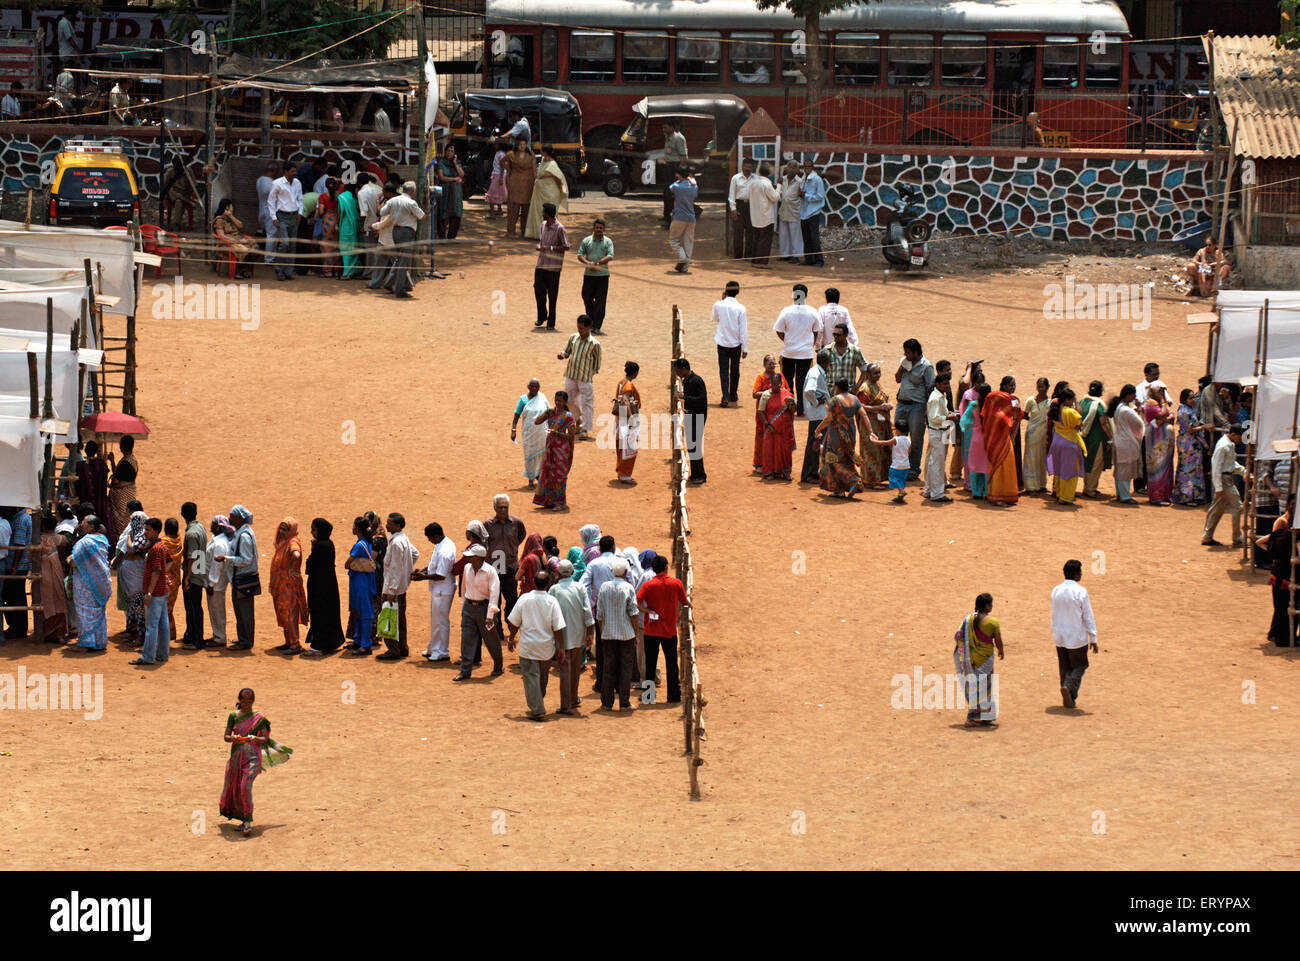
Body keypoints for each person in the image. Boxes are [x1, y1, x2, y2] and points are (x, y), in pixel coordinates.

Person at [220, 688, 292, 837]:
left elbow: (265, 739)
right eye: (243, 700)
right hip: (236, 758)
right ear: (239, 700)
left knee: (244, 786)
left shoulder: (260, 718)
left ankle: (247, 822)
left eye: (249, 700)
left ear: (253, 701)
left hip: (253, 758)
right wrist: (233, 738)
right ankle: (242, 818)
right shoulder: (233, 716)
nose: (246, 703)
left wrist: (253, 738)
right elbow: (226, 736)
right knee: (237, 787)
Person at [507, 569, 567, 719]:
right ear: (548, 584)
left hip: (528, 647)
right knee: (541, 679)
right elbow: (558, 627)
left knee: (532, 678)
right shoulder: (552, 601)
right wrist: (561, 648)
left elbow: (514, 621)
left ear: (534, 582)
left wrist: (511, 638)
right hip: (546, 648)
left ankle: (538, 708)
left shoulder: (524, 599)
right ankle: (537, 705)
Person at [636, 554, 690, 703]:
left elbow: (637, 602)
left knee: (650, 664)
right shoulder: (676, 583)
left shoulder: (648, 585)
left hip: (651, 630)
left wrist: (648, 611)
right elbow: (684, 600)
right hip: (669, 630)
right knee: (672, 663)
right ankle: (673, 695)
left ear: (653, 569)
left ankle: (649, 696)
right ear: (666, 568)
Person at [596, 557, 642, 711]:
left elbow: (600, 614)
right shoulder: (628, 588)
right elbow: (633, 613)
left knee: (608, 667)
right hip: (626, 635)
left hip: (608, 634)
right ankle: (624, 703)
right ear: (624, 572)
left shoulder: (604, 587)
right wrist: (635, 633)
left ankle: (606, 703)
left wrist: (603, 632)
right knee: (625, 668)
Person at [1051, 559, 1098, 709]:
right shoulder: (1080, 591)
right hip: (1076, 637)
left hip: (1060, 636)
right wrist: (1093, 637)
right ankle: (1069, 687)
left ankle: (1070, 698)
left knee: (1064, 667)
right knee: (1081, 664)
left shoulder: (1056, 590)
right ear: (1076, 574)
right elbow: (1087, 616)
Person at [453, 543, 504, 680]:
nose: (469, 559)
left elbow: (494, 593)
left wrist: (490, 615)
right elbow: (464, 589)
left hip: (485, 609)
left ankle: (498, 666)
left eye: (472, 556)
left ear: (479, 558)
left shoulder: (490, 571)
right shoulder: (467, 568)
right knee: (466, 639)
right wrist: (464, 606)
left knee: (491, 639)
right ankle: (465, 671)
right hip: (469, 608)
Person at [549, 558, 594, 714]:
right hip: (578, 635)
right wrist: (590, 633)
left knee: (564, 669)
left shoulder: (554, 590)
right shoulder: (580, 588)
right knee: (575, 668)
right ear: (572, 572)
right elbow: (587, 612)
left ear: (558, 573)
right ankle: (573, 698)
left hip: (561, 636)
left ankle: (565, 704)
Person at [954, 593, 1003, 725]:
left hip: (971, 661)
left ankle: (981, 716)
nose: (992, 606)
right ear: (987, 606)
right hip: (985, 661)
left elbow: (958, 635)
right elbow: (998, 640)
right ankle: (977, 716)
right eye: (991, 604)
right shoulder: (993, 622)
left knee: (975, 687)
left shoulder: (968, 620)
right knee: (985, 687)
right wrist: (1001, 651)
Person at [774, 284, 823, 416]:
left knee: (788, 381)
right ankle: (801, 409)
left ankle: (789, 407)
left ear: (794, 295)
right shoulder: (813, 311)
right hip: (805, 354)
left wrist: (787, 341)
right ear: (806, 295)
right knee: (803, 382)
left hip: (788, 352)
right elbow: (817, 331)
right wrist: (811, 345)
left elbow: (778, 330)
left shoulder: (786, 311)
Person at [369, 181, 423, 298]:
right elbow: (422, 216)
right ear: (413, 192)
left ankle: (391, 283)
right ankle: (400, 290)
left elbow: (381, 212)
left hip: (395, 232)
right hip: (406, 232)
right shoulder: (411, 202)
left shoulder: (392, 201)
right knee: (403, 261)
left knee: (398, 260)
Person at [816, 378, 868, 498]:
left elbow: (828, 419)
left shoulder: (833, 401)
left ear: (837, 387)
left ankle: (853, 480)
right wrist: (870, 431)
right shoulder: (854, 399)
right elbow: (863, 414)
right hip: (850, 434)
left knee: (833, 461)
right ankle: (839, 490)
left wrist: (817, 429)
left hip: (836, 436)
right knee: (847, 459)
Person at [300, 518, 344, 656]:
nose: (311, 532)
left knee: (320, 614)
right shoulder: (328, 544)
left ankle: (318, 646)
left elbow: (310, 565)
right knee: (329, 613)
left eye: (314, 529)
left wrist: (313, 549)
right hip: (328, 585)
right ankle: (330, 643)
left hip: (320, 587)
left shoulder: (321, 546)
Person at [377, 512, 418, 661]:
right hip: (401, 588)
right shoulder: (403, 539)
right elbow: (415, 554)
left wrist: (391, 590)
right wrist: (407, 571)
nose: (387, 525)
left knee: (389, 618)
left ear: (398, 525)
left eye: (390, 523)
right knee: (400, 619)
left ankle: (393, 650)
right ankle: (403, 648)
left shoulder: (395, 543)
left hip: (392, 590)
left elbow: (395, 569)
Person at [131, 518, 171, 665]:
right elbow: (170, 561)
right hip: (162, 591)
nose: (145, 532)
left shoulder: (155, 549)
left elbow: (156, 571)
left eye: (147, 530)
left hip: (156, 593)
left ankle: (148, 657)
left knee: (152, 625)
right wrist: (165, 577)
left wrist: (149, 593)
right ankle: (162, 654)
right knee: (163, 623)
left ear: (155, 531)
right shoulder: (161, 545)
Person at [1258, 499, 1297, 647]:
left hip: (1281, 572)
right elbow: (1264, 542)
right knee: (1282, 607)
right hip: (1283, 574)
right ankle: (1281, 637)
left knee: (1282, 606)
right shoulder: (1282, 527)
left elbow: (1261, 542)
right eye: (1292, 504)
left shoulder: (1283, 531)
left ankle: (1276, 634)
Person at [893, 339, 935, 479]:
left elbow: (930, 388)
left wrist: (926, 410)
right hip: (902, 404)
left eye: (908, 352)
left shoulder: (926, 366)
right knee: (899, 436)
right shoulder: (905, 363)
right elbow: (897, 379)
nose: (905, 354)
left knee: (916, 438)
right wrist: (902, 365)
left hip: (917, 406)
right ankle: (900, 466)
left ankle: (913, 469)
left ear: (916, 352)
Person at [414, 522, 456, 662]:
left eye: (430, 538)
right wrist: (424, 570)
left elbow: (441, 574)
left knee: (441, 621)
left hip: (443, 589)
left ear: (436, 536)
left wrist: (423, 577)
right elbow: (434, 564)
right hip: (439, 589)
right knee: (435, 620)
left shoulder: (445, 551)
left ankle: (442, 651)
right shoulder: (442, 544)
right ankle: (433, 647)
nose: (429, 541)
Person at [69, 515, 111, 652]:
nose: (81, 524)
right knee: (98, 612)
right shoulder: (102, 539)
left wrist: (68, 559)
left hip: (85, 584)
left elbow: (74, 563)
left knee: (84, 612)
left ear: (91, 526)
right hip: (100, 582)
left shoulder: (85, 543)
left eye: (84, 522)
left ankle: (86, 643)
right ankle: (99, 641)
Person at [533, 390, 579, 509]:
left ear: (565, 402)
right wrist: (547, 412)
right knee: (548, 473)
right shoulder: (551, 413)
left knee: (559, 475)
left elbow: (571, 436)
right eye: (556, 400)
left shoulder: (568, 417)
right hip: (550, 448)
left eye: (560, 401)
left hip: (562, 450)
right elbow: (537, 421)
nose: (557, 403)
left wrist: (557, 432)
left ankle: (560, 502)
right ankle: (548, 500)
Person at [1202, 423, 1247, 547]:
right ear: (1233, 434)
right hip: (1224, 480)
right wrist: (1219, 487)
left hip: (1225, 479)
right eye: (1239, 437)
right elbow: (1216, 467)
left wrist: (1243, 470)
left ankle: (1207, 536)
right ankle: (1237, 539)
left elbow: (1231, 463)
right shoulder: (1224, 446)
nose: (1239, 440)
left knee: (1217, 508)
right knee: (1237, 507)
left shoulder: (1228, 444)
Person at [269, 517, 308, 655]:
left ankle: (295, 644)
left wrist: (292, 566)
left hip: (289, 586)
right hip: (281, 585)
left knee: (290, 614)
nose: (282, 531)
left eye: (285, 529)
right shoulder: (283, 543)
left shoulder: (293, 542)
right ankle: (288, 642)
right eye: (281, 528)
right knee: (283, 613)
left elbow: (296, 553)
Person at [221, 505, 258, 650]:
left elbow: (246, 559)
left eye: (232, 516)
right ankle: (243, 638)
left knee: (245, 612)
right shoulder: (241, 533)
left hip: (244, 579)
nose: (229, 518)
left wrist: (227, 558)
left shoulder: (244, 536)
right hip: (239, 579)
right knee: (239, 610)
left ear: (239, 518)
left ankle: (246, 641)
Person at [558, 314, 600, 438]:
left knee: (587, 403)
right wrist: (562, 355)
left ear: (588, 328)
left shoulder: (595, 344)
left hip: (585, 378)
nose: (579, 330)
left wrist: (589, 375)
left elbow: (597, 364)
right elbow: (567, 351)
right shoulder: (573, 338)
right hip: (571, 375)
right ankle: (577, 422)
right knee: (569, 400)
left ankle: (585, 430)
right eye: (578, 327)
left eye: (581, 328)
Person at [1047, 387, 1087, 505]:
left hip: (1057, 442)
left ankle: (1059, 493)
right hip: (1069, 443)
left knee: (1059, 470)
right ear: (1067, 400)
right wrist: (1076, 404)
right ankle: (1065, 497)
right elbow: (1080, 424)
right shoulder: (1070, 412)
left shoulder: (1055, 409)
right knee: (1069, 471)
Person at [343, 517, 377, 656]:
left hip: (360, 582)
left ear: (357, 528)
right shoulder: (365, 542)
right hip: (362, 580)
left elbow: (347, 564)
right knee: (357, 611)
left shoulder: (359, 545)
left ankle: (365, 645)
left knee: (363, 613)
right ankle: (358, 640)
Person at [533, 202, 570, 329]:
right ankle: (542, 315)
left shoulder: (560, 228)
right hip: (541, 264)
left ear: (547, 214)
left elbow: (566, 246)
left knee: (552, 295)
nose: (542, 214)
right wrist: (539, 246)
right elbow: (541, 241)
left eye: (543, 212)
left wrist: (550, 248)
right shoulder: (543, 225)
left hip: (553, 267)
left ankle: (551, 322)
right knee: (538, 290)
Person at [983, 377, 1020, 505]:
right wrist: (1013, 417)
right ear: (1003, 386)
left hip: (1005, 439)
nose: (1013, 388)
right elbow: (1009, 421)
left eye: (1014, 385)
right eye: (1010, 385)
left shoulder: (1014, 401)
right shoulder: (995, 401)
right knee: (998, 466)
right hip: (996, 439)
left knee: (1006, 466)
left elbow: (1017, 420)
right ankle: (997, 496)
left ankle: (1005, 495)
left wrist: (1013, 438)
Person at [113, 508, 148, 643]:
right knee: (132, 604)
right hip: (130, 576)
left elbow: (131, 550)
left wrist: (128, 537)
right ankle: (133, 631)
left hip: (135, 576)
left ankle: (141, 635)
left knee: (138, 605)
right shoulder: (136, 533)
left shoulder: (141, 535)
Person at [857, 363, 893, 489]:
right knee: (871, 450)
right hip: (870, 424)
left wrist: (887, 405)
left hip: (881, 424)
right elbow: (860, 407)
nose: (878, 375)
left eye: (879, 372)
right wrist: (879, 407)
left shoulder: (877, 385)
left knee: (881, 449)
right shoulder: (864, 388)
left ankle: (879, 477)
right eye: (875, 373)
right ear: (868, 374)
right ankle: (870, 480)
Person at [713, 281, 748, 408]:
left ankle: (725, 396)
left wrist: (722, 300)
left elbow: (715, 319)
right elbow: (743, 329)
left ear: (725, 291)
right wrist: (745, 347)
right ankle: (733, 394)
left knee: (723, 370)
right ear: (737, 292)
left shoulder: (718, 305)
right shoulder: (741, 308)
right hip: (736, 343)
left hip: (722, 342)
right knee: (735, 369)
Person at [266, 162, 303, 281]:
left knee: (292, 245)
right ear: (285, 172)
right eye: (292, 171)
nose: (294, 173)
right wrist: (274, 218)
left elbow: (300, 199)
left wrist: (300, 214)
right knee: (285, 243)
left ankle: (287, 271)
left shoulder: (297, 183)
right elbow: (271, 201)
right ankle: (278, 268)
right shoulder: (276, 183)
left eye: (295, 171)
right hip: (281, 216)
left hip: (294, 216)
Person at [576, 218, 613, 333]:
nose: (598, 230)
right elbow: (580, 254)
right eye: (597, 228)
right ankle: (591, 321)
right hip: (589, 275)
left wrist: (598, 263)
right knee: (586, 297)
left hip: (602, 275)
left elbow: (610, 255)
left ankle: (597, 326)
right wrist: (588, 263)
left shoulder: (608, 241)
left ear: (604, 230)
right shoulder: (586, 241)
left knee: (601, 301)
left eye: (601, 228)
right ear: (593, 228)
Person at [178, 502, 207, 649]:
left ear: (182, 514)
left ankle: (197, 640)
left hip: (193, 575)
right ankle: (190, 635)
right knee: (194, 606)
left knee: (193, 607)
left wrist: (187, 578)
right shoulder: (200, 528)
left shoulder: (191, 534)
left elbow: (192, 557)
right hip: (199, 571)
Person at [511, 378, 550, 488]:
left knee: (542, 454)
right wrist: (513, 430)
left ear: (539, 388)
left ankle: (539, 476)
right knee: (529, 455)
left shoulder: (542, 397)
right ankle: (531, 479)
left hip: (541, 433)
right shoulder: (523, 399)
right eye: (532, 386)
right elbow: (516, 415)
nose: (534, 388)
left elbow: (549, 412)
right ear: (528, 387)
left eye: (536, 386)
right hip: (528, 434)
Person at [675, 358, 709, 484]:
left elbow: (701, 398)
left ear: (684, 369)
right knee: (691, 446)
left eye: (678, 370)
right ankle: (695, 473)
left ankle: (700, 474)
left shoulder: (696, 380)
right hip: (691, 415)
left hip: (698, 416)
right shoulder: (688, 381)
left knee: (695, 446)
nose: (677, 373)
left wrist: (684, 397)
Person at [926, 369, 958, 502]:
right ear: (938, 384)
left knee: (935, 462)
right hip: (938, 431)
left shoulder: (941, 396)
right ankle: (937, 494)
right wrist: (949, 416)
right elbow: (934, 418)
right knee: (937, 464)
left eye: (948, 384)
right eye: (944, 384)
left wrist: (949, 413)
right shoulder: (935, 398)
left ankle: (929, 490)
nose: (947, 386)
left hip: (941, 431)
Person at [525, 145, 569, 240]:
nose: (540, 152)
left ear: (545, 152)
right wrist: (533, 161)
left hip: (550, 192)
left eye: (541, 151)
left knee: (549, 213)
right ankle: (538, 234)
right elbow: (537, 175)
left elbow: (558, 179)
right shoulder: (543, 161)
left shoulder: (552, 164)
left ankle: (550, 235)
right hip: (540, 191)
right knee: (538, 212)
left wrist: (560, 189)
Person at [759, 372, 797, 480]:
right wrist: (767, 424)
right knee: (770, 450)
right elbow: (761, 411)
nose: (777, 386)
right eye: (774, 384)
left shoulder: (787, 395)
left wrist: (792, 404)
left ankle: (785, 472)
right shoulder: (766, 395)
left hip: (785, 429)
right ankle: (769, 472)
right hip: (771, 428)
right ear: (771, 384)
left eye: (779, 384)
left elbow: (794, 410)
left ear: (781, 383)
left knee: (785, 450)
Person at [801, 348, 831, 484]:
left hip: (818, 414)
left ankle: (812, 472)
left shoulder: (817, 371)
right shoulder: (815, 373)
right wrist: (816, 402)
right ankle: (809, 474)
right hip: (817, 414)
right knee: (814, 443)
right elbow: (809, 390)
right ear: (826, 362)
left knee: (815, 443)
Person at [1142, 383, 1175, 505]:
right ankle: (1156, 496)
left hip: (1164, 441)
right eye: (1159, 391)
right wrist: (1164, 403)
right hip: (1156, 441)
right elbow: (1164, 414)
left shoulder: (1160, 403)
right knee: (1157, 466)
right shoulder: (1150, 403)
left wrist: (1166, 416)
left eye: (1163, 391)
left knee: (1166, 466)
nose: (1162, 393)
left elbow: (1170, 416)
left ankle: (1165, 494)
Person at [1078, 381, 1111, 499]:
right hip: (1096, 439)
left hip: (1083, 437)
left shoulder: (1083, 401)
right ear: (1101, 391)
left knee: (1087, 462)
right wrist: (1111, 437)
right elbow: (1103, 422)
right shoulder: (1099, 404)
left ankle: (1089, 487)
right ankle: (1090, 489)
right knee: (1095, 464)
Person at [1, 506, 31, 639]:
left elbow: (19, 545)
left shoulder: (20, 520)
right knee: (15, 595)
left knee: (14, 595)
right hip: (19, 564)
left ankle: (18, 628)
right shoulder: (23, 517)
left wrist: (14, 566)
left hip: (18, 565)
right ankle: (17, 627)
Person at [960, 377, 991, 498]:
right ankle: (988, 491)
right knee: (986, 465)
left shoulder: (973, 404)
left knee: (975, 464)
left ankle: (976, 492)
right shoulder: (991, 406)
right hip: (987, 437)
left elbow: (964, 420)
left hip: (976, 436)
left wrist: (971, 427)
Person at [205, 514, 233, 648]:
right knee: (215, 609)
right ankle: (217, 634)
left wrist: (211, 583)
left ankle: (220, 637)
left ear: (218, 527)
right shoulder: (218, 539)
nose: (210, 525)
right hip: (216, 583)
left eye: (213, 523)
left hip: (216, 584)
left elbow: (217, 566)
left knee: (217, 610)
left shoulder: (220, 543)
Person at [868, 423, 913, 503]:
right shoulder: (908, 440)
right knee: (901, 479)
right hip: (906, 465)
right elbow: (909, 451)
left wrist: (875, 441)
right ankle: (900, 494)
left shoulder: (896, 439)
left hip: (896, 465)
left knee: (892, 478)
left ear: (898, 430)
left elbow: (885, 443)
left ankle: (901, 491)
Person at [747, 163, 781, 267]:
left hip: (755, 215)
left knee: (756, 239)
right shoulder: (767, 184)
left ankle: (755, 260)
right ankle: (762, 262)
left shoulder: (753, 182)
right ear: (769, 173)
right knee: (765, 240)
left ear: (759, 171)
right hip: (765, 216)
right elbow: (775, 198)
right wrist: (779, 186)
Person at [107, 435, 140, 541]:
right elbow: (119, 474)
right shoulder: (132, 460)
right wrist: (112, 461)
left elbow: (116, 481)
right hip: (129, 494)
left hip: (121, 498)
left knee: (120, 522)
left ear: (122, 446)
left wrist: (111, 485)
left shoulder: (125, 463)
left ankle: (122, 544)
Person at [614, 361, 642, 484]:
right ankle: (625, 474)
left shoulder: (621, 382)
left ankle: (621, 471)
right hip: (626, 418)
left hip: (620, 418)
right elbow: (625, 400)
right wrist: (631, 417)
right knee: (629, 445)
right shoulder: (628, 385)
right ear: (635, 373)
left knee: (621, 444)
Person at [668, 167, 699, 273]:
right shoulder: (694, 186)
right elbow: (695, 196)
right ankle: (685, 267)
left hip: (679, 217)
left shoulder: (676, 186)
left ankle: (682, 257)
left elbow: (670, 188)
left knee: (673, 240)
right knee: (688, 242)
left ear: (679, 175)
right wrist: (691, 180)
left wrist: (681, 179)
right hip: (691, 217)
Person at [212, 200, 255, 279]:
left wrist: (231, 216)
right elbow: (221, 235)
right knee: (241, 249)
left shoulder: (230, 218)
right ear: (227, 207)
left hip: (236, 239)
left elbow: (240, 226)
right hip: (225, 243)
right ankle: (236, 271)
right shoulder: (219, 220)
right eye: (231, 206)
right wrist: (236, 241)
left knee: (254, 246)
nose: (232, 208)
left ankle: (244, 269)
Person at [504, 138, 535, 238]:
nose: (522, 146)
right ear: (517, 145)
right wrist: (508, 174)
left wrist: (536, 180)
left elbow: (534, 170)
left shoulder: (531, 155)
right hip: (515, 183)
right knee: (513, 209)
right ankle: (511, 231)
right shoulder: (511, 155)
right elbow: (503, 162)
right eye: (520, 144)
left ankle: (524, 231)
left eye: (524, 144)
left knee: (526, 209)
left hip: (528, 184)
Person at [662, 120, 690, 226]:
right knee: (666, 193)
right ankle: (667, 216)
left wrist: (681, 173)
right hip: (669, 168)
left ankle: (672, 220)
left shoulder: (678, 138)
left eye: (665, 127)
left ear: (672, 127)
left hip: (675, 168)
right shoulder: (668, 138)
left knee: (672, 194)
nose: (663, 130)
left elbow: (683, 156)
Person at [727, 157, 757, 258]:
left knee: (750, 231)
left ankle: (748, 255)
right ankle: (738, 256)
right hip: (739, 205)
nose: (747, 168)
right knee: (738, 232)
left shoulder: (756, 178)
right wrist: (733, 209)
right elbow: (731, 195)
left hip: (751, 206)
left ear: (752, 167)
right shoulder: (736, 178)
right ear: (742, 166)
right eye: (745, 166)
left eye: (749, 166)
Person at [434, 143, 465, 240]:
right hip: (444, 191)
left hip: (456, 192)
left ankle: (452, 237)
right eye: (448, 151)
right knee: (442, 212)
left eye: (452, 151)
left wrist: (455, 163)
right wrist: (454, 179)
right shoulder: (441, 163)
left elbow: (462, 175)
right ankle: (442, 236)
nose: (449, 153)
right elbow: (441, 177)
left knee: (456, 212)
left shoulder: (457, 163)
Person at [800, 158, 827, 267]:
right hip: (804, 211)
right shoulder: (803, 178)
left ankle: (819, 260)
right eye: (805, 167)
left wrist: (805, 196)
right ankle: (809, 259)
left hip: (813, 211)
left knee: (814, 237)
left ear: (812, 167)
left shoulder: (817, 179)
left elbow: (820, 196)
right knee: (806, 237)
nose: (807, 169)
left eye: (809, 167)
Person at [778, 161, 804, 261]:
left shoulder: (800, 181)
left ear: (798, 170)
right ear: (787, 169)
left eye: (794, 167)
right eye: (790, 167)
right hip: (784, 210)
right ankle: (784, 255)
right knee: (784, 234)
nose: (792, 169)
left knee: (795, 235)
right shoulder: (782, 180)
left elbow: (802, 195)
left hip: (794, 211)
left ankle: (796, 256)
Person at [336, 182, 361, 279]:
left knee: (345, 249)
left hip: (346, 226)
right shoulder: (355, 197)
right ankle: (355, 269)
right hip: (355, 225)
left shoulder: (342, 197)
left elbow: (340, 211)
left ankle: (347, 273)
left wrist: (337, 224)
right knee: (353, 247)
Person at [484, 139, 509, 216]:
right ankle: (499, 209)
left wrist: (501, 177)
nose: (495, 145)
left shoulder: (500, 154)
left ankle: (492, 212)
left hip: (498, 175)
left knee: (491, 192)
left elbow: (502, 166)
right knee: (498, 193)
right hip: (498, 175)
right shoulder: (500, 153)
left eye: (496, 144)